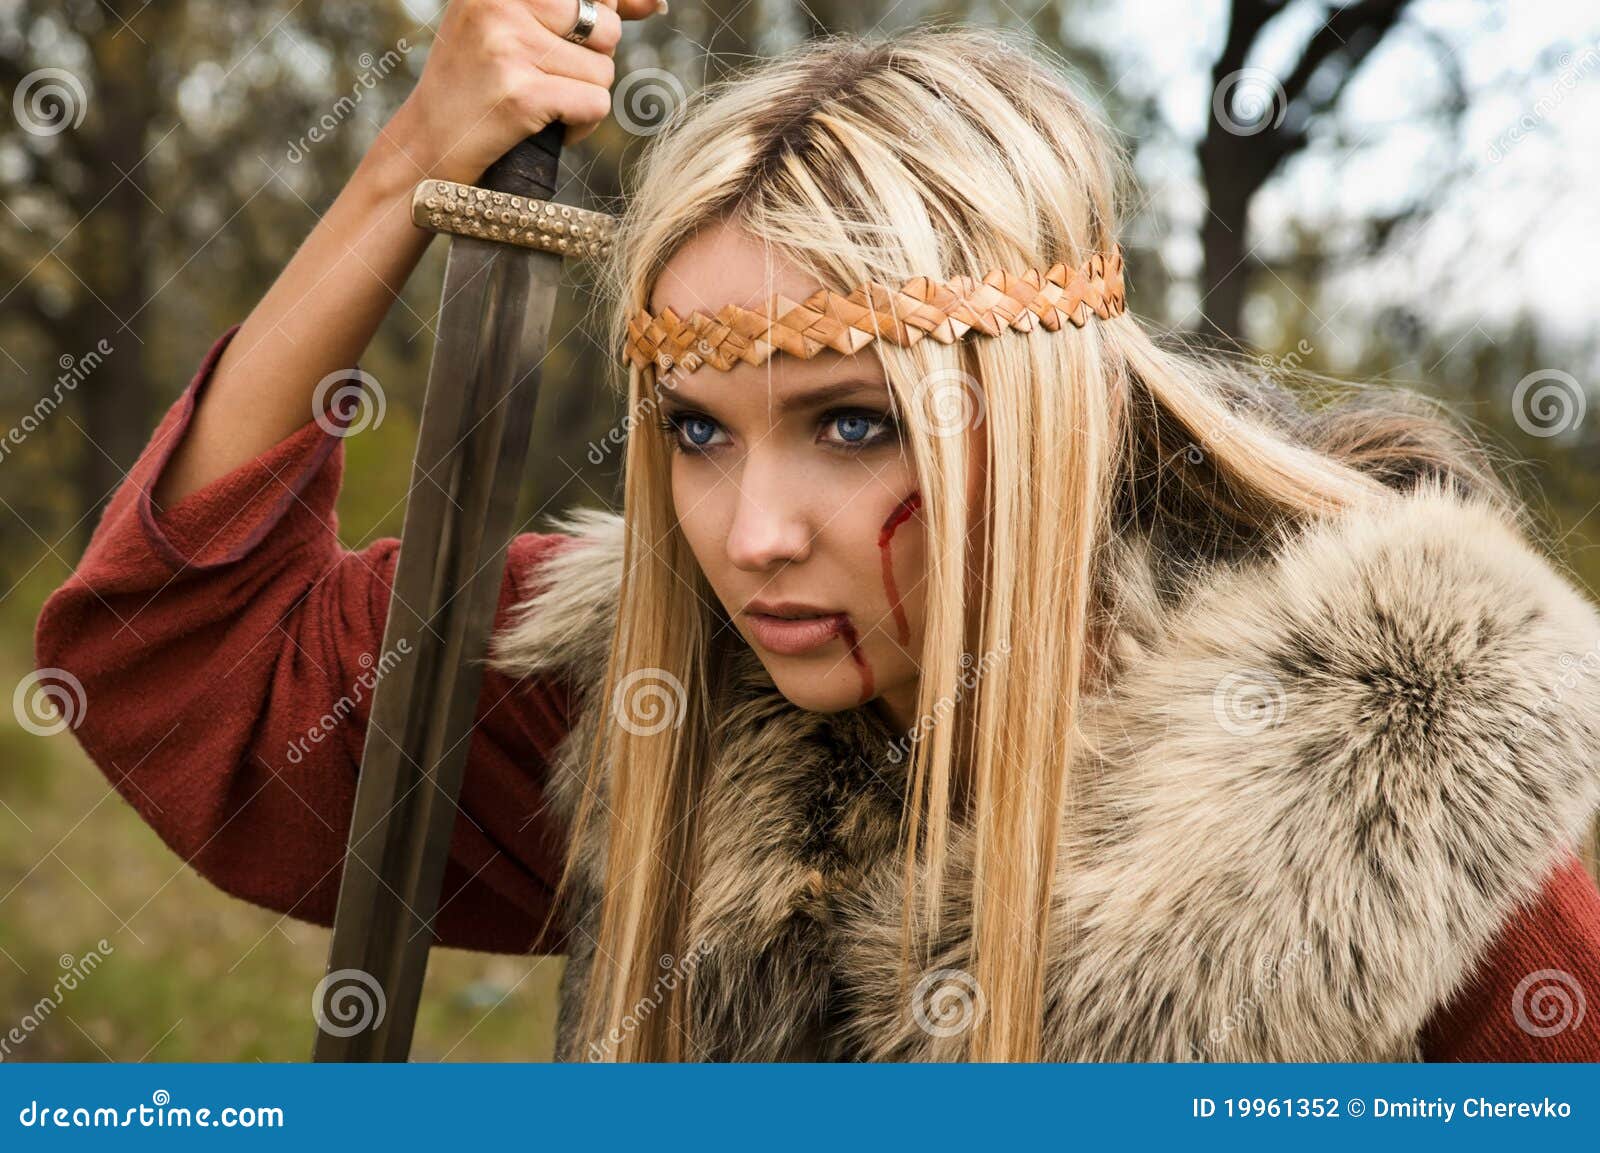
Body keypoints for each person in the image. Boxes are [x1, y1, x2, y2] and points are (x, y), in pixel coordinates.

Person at [34, 5, 1600, 1062]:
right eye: (698, 433)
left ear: (1041, 408)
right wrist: (409, 162)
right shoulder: (648, 701)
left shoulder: (1401, 815)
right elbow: (189, 668)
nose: (753, 535)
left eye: (855, 424)